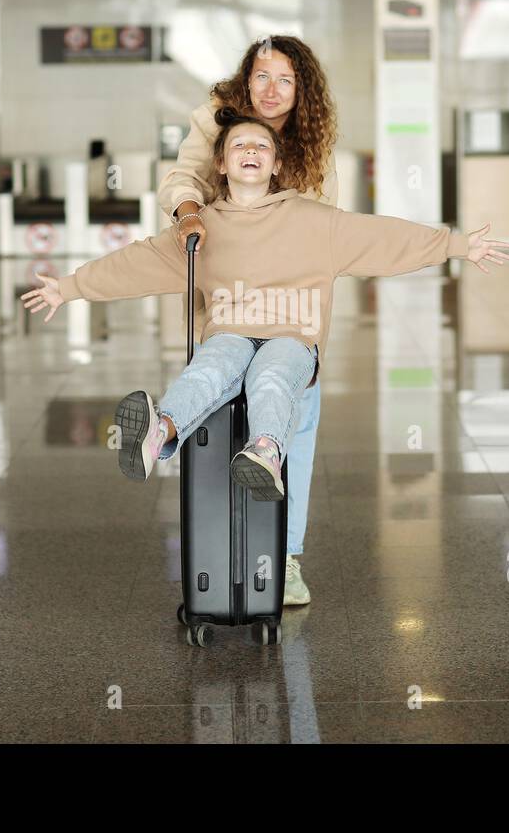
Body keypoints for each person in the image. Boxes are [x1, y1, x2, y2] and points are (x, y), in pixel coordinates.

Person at [21, 110, 509, 520]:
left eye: (261, 146)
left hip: (292, 337)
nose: (250, 151)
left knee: (274, 376)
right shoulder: (201, 229)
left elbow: (385, 238)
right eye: (239, 146)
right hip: (231, 332)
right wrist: (69, 288)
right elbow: (138, 263)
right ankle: (159, 432)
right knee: (210, 368)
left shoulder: (315, 222)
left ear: (276, 164)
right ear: (221, 163)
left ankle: (265, 453)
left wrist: (458, 244)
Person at [157, 35, 336, 605]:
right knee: (213, 389)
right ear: (246, 78)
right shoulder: (216, 120)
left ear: (301, 88)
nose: (273, 90)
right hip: (229, 291)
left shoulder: (313, 143)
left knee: (295, 416)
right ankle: (213, 543)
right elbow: (180, 178)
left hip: (292, 306)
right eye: (262, 77)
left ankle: (283, 559)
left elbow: (330, 234)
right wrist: (189, 210)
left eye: (286, 80)